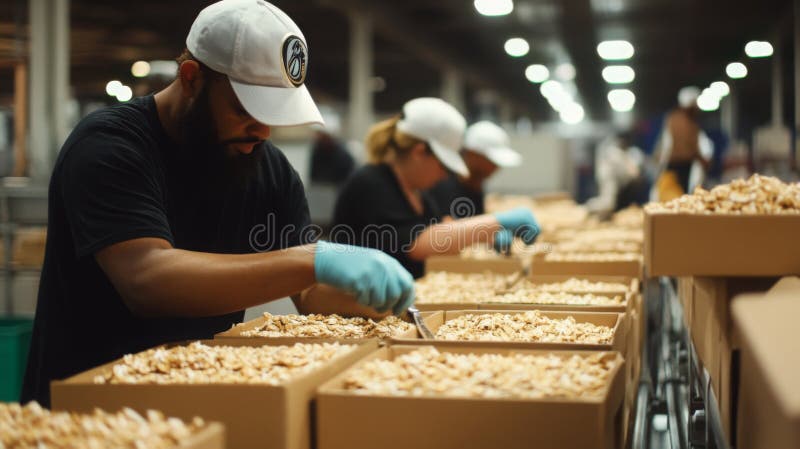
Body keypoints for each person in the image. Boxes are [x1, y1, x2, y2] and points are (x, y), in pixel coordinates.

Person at [22, 0, 414, 407]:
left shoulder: (269, 169)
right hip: (87, 410)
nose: (261, 130)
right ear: (191, 78)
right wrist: (312, 259)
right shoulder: (111, 146)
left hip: (197, 402)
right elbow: (147, 278)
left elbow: (310, 293)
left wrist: (372, 293)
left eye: (272, 114)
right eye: (245, 109)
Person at [329, 98, 540, 279]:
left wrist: (487, 236)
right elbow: (416, 244)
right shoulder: (372, 184)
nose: (444, 175)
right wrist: (497, 222)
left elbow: (443, 227)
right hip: (359, 315)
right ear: (419, 152)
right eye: (443, 165)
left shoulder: (418, 191)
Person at [428, 120, 522, 218]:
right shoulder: (440, 185)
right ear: (472, 153)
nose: (496, 168)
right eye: (491, 161)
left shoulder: (475, 187)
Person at [654, 87, 711, 197]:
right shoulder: (685, 121)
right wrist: (703, 160)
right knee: (679, 199)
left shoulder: (672, 118)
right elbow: (686, 148)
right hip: (681, 167)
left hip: (674, 166)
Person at [585, 131, 646, 215]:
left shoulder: (631, 153)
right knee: (609, 203)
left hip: (626, 191)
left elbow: (635, 173)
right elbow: (634, 173)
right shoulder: (614, 153)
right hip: (614, 186)